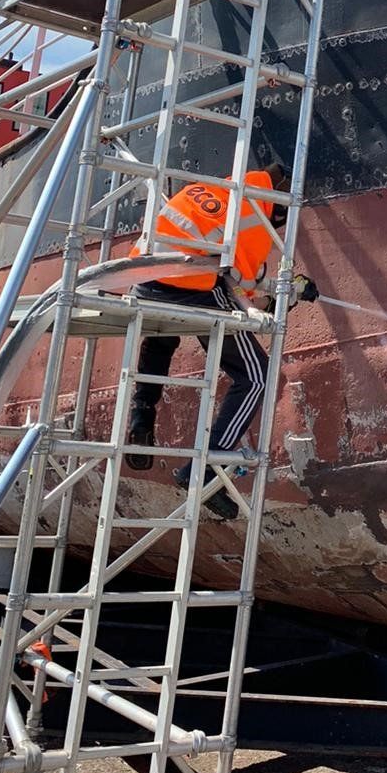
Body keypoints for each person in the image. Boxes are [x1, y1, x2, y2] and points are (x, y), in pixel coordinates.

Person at [126, 164, 318, 517]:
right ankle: (205, 471)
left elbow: (229, 271)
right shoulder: (256, 212)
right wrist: (287, 296)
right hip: (189, 288)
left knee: (160, 336)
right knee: (256, 375)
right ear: (278, 203)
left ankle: (141, 416)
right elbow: (240, 289)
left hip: (143, 281)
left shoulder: (210, 188)